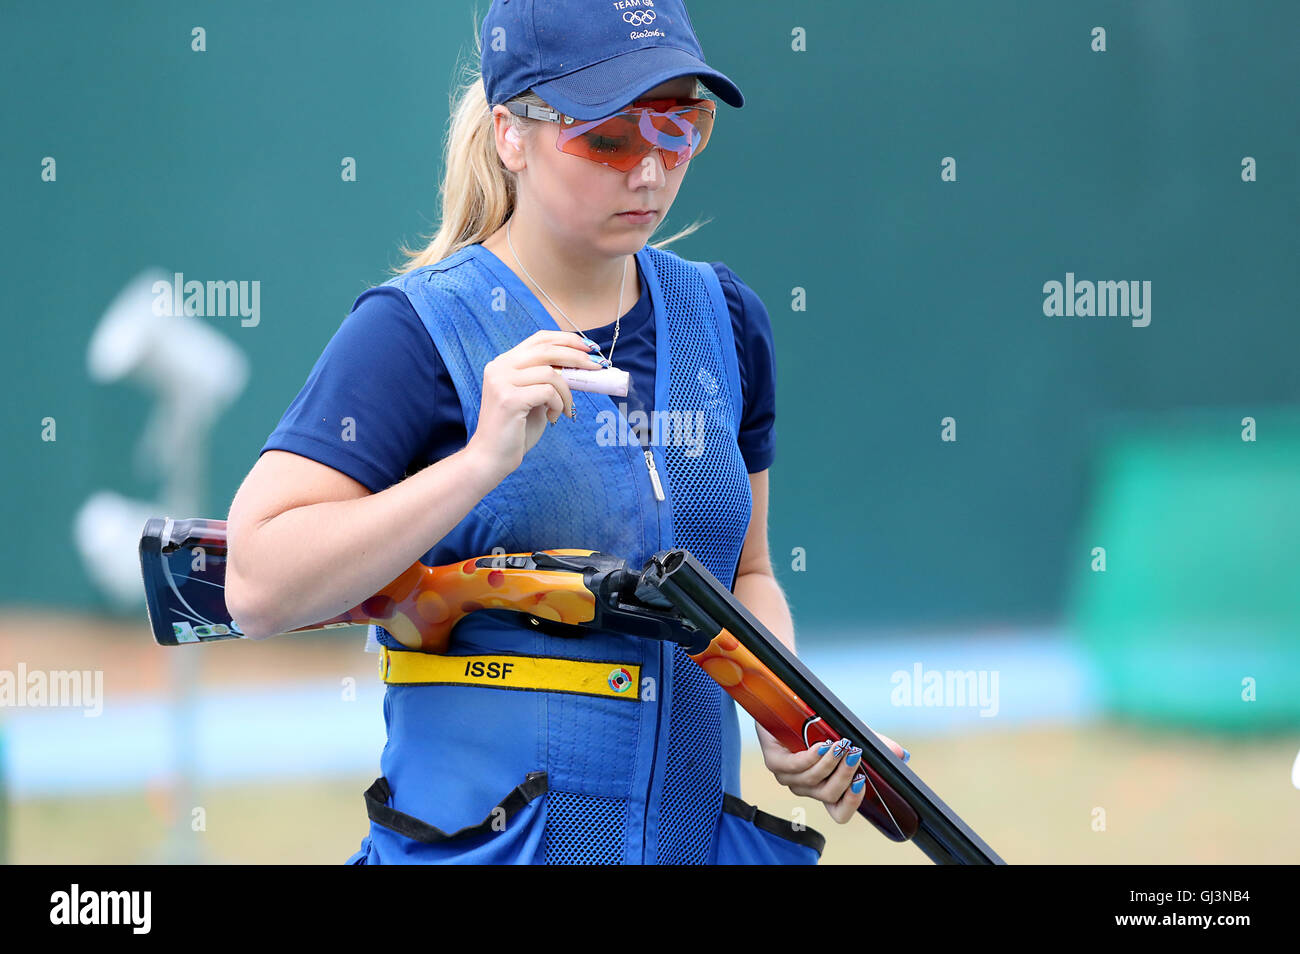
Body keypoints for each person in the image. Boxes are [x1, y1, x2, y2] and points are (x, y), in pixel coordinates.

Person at [225, 0, 901, 864]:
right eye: (609, 137)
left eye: (679, 124)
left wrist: (784, 713)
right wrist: (479, 464)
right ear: (511, 132)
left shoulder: (727, 319)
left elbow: (751, 573)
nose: (650, 169)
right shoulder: (410, 331)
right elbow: (253, 582)